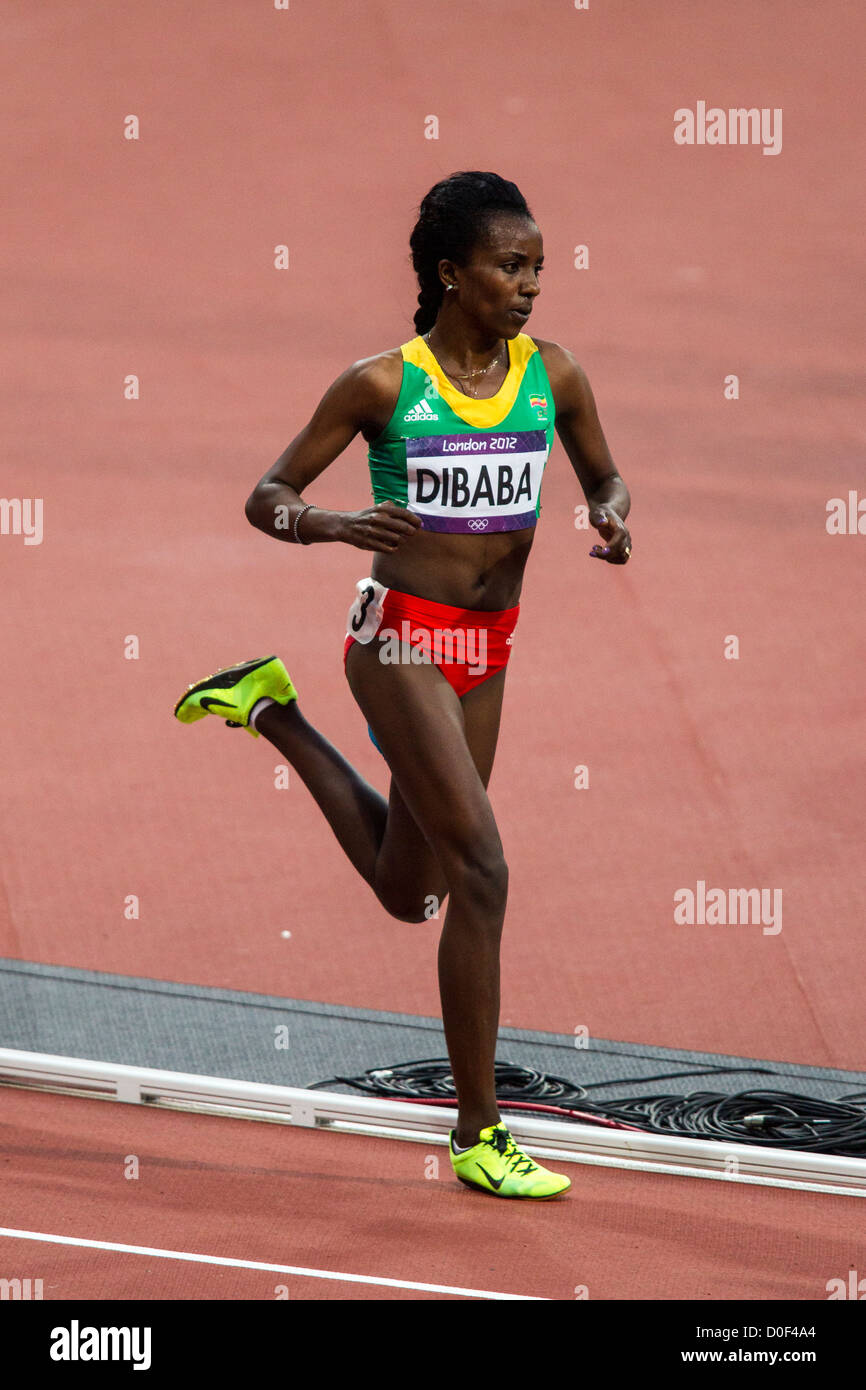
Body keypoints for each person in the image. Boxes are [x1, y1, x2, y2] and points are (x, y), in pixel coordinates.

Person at [175, 171, 631, 1199]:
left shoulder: (552, 375)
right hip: (397, 642)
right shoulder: (381, 384)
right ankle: (479, 1132)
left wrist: (609, 510)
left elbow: (602, 472)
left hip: (488, 645)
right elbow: (268, 496)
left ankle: (269, 707)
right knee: (483, 874)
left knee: (408, 890)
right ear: (449, 273)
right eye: (509, 267)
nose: (529, 287)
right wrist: (334, 525)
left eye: (537, 269)